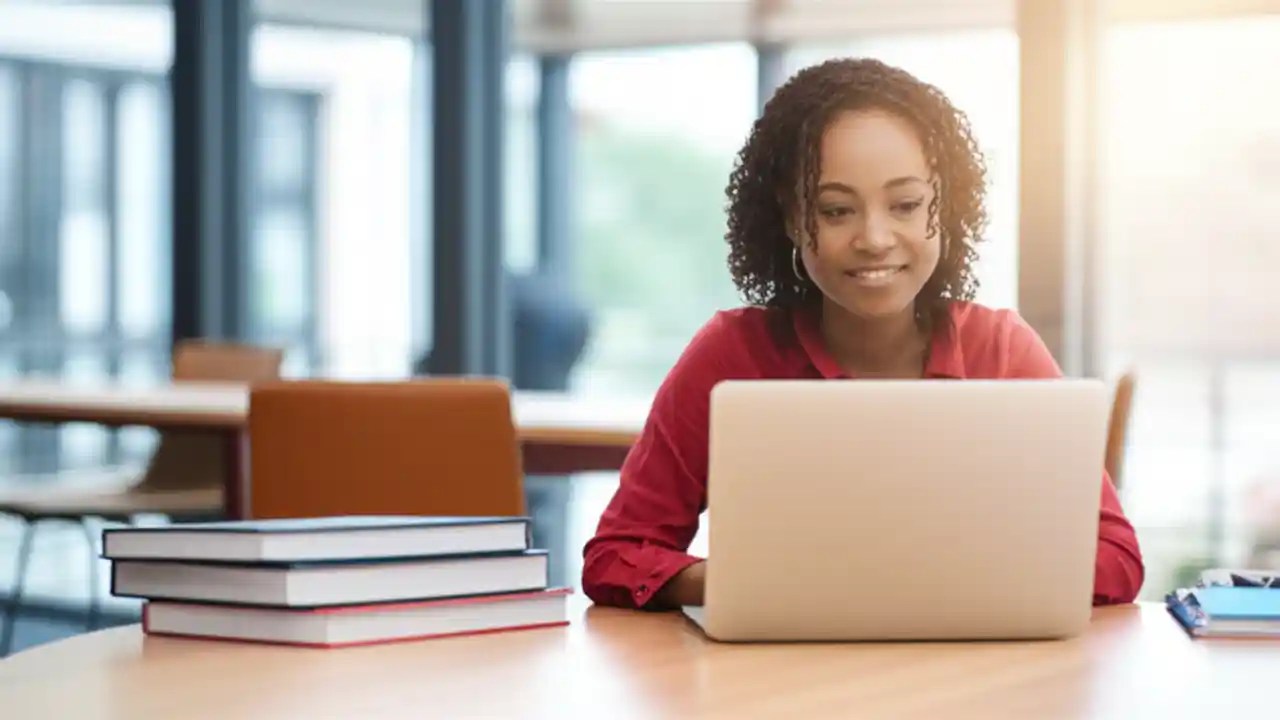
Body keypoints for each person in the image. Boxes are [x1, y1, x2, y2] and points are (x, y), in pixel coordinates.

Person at [581, 58, 1144, 610]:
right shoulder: (730, 355)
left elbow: (1116, 559)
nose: (875, 238)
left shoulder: (1000, 350)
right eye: (835, 210)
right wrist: (748, 584)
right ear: (790, 218)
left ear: (944, 208)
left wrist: (937, 576)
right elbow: (616, 555)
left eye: (904, 205)